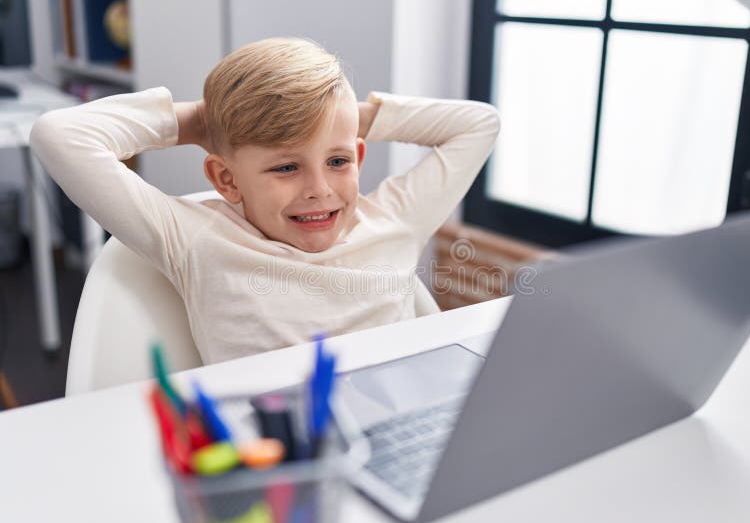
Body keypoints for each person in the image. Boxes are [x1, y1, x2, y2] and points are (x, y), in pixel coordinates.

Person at [30, 37, 500, 364]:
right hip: (279, 458)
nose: (319, 189)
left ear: (358, 154)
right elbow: (60, 135)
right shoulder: (194, 240)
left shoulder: (395, 219)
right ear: (226, 179)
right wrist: (200, 122)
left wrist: (338, 114)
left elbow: (479, 124)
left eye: (338, 161)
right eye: (286, 167)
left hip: (401, 424)